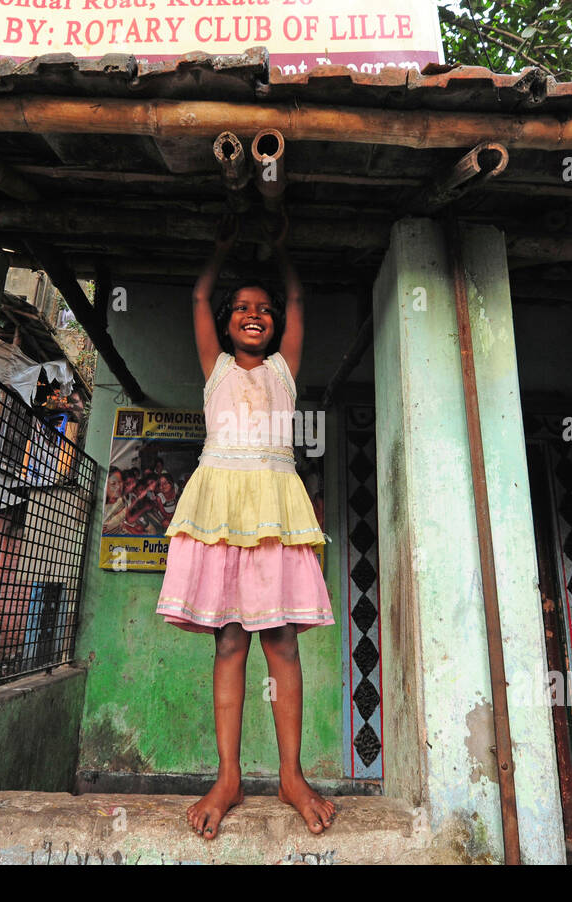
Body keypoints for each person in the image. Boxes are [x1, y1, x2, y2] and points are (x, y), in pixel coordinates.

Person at [156, 212, 336, 840]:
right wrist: (221, 248)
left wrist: (283, 254)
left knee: (282, 644)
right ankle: (228, 775)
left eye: (263, 308)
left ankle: (290, 775)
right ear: (228, 322)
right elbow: (201, 294)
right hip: (221, 506)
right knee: (229, 642)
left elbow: (296, 295)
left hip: (274, 507)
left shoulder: (284, 369)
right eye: (242, 308)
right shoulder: (218, 370)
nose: (254, 313)